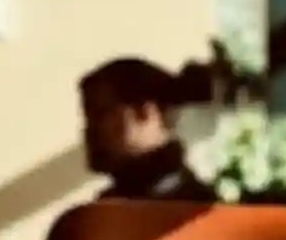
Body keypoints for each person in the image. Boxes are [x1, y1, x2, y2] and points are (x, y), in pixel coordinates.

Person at [79, 57, 215, 202]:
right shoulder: (108, 208)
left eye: (100, 114)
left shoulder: (200, 204)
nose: (88, 131)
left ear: (144, 112)